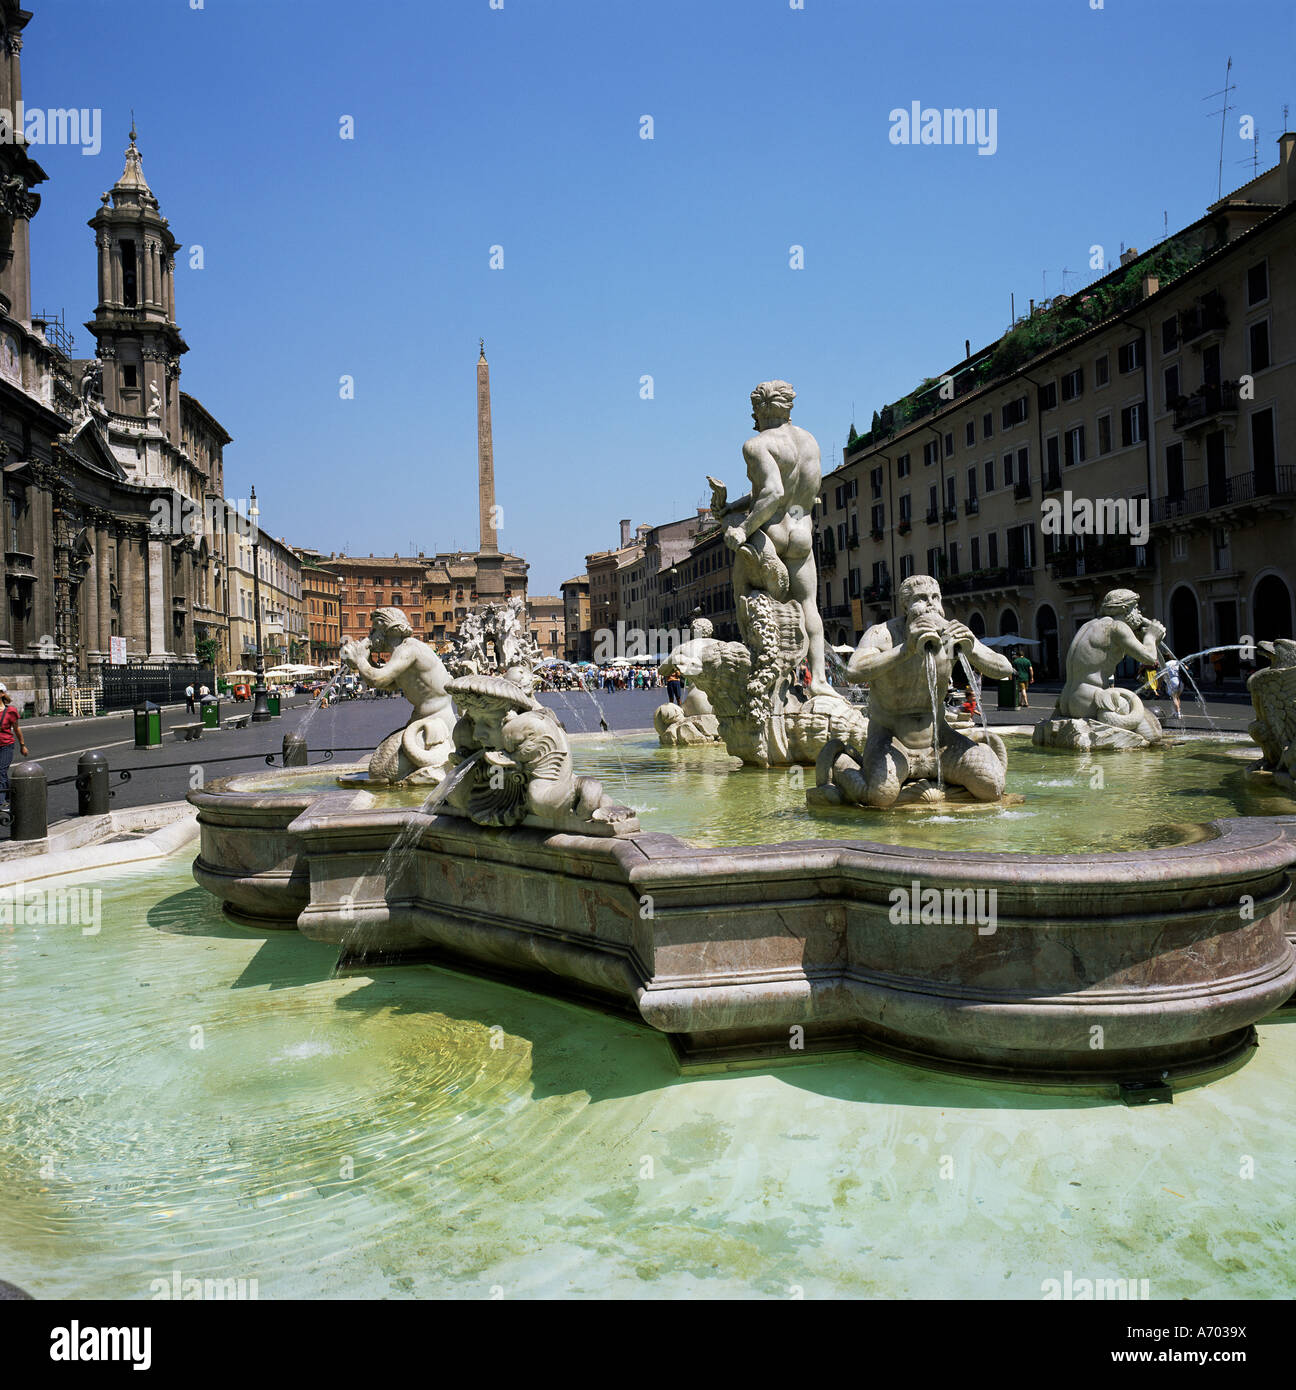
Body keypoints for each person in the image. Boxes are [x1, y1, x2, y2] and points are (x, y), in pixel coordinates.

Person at [0, 690, 29, 807]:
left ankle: (1, 801)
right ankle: (8, 794)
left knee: (1, 771)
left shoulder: (10, 711)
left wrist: (22, 745)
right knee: (1, 773)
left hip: (6, 745)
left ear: (2, 694)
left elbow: (17, 729)